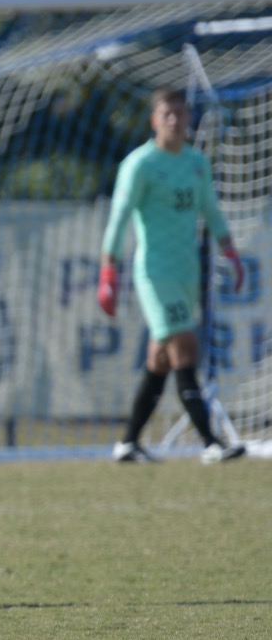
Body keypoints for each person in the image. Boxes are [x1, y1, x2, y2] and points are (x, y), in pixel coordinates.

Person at [97, 88, 247, 464]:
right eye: (167, 114)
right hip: (155, 272)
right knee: (186, 348)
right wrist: (107, 272)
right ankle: (212, 442)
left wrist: (232, 253)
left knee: (160, 360)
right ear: (154, 120)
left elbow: (210, 211)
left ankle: (128, 443)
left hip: (187, 271)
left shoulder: (196, 162)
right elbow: (119, 218)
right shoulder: (140, 164)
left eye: (181, 114)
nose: (175, 121)